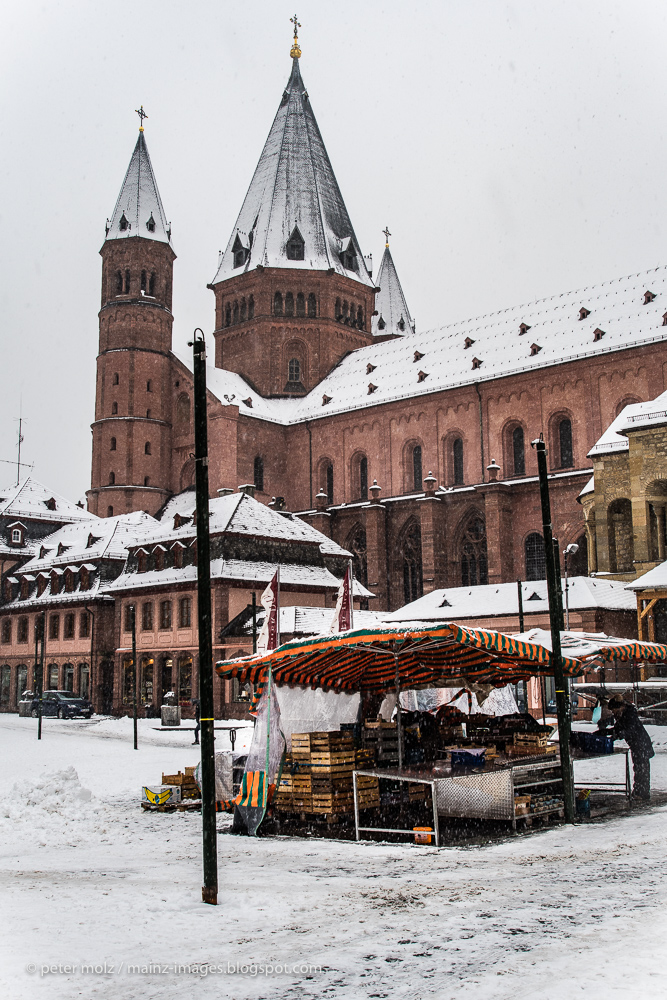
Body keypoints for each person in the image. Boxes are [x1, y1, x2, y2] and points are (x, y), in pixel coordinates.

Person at [599, 696, 654, 801]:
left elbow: (629, 729)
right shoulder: (624, 715)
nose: (613, 713)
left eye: (614, 710)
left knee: (641, 770)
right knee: (639, 769)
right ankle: (639, 792)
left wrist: (617, 735)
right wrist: (606, 732)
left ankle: (642, 794)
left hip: (641, 745)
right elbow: (619, 728)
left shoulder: (629, 715)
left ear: (620, 707)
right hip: (638, 745)